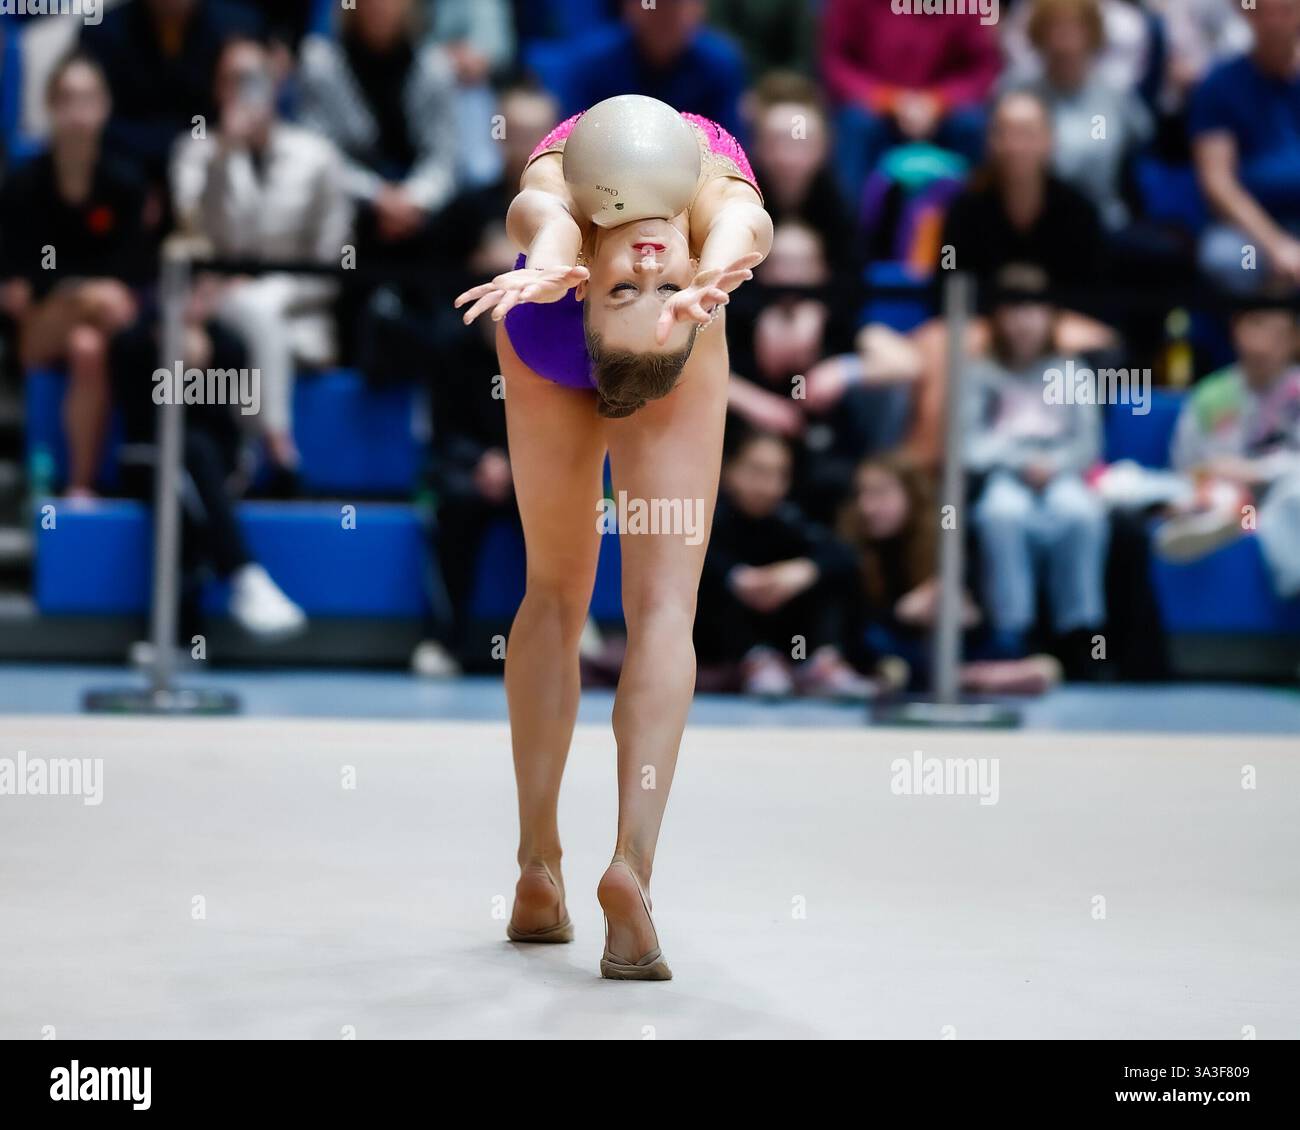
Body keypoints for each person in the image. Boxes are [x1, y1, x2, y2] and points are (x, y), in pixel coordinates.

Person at [454, 96, 772, 979]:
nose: (645, 262)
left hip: (550, 313)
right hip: (581, 318)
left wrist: (555, 264)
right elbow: (745, 216)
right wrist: (707, 271)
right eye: (645, 282)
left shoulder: (610, 251)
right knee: (656, 605)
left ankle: (550, 871)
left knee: (574, 596)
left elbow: (543, 215)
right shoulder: (694, 234)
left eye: (642, 284)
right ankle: (605, 865)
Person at [170, 34, 352, 490]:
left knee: (260, 307)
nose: (243, 90)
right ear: (216, 89)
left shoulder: (320, 157)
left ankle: (251, 451)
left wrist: (262, 291)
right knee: (245, 314)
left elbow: (334, 266)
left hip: (298, 317)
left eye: (253, 78)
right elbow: (193, 230)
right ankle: (277, 442)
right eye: (232, 80)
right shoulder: (196, 151)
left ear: (277, 81)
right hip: (216, 310)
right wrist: (224, 153)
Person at [0, 53, 147, 497]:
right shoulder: (23, 186)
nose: (77, 112)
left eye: (87, 99)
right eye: (66, 99)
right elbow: (18, 292)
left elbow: (129, 280)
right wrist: (84, 294)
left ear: (104, 107)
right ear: (49, 106)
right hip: (38, 331)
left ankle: (80, 485)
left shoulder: (125, 185)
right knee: (86, 321)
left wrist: (76, 293)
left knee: (88, 348)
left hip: (102, 330)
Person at [964, 266, 1109, 672]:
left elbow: (1088, 444)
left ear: (1051, 317)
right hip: (1004, 476)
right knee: (1000, 515)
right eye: (1012, 311)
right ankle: (1013, 631)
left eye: (1033, 310)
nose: (1023, 322)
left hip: (1063, 475)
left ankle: (1079, 631)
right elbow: (968, 445)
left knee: (1082, 515)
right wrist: (1019, 461)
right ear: (997, 319)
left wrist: (1056, 464)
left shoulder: (1072, 371)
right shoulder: (980, 371)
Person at [838, 453, 1062, 695]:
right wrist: (901, 613)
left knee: (1008, 641)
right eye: (863, 494)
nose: (867, 506)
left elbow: (980, 609)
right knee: (877, 644)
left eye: (880, 494)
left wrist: (964, 614)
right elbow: (853, 625)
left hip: (949, 642)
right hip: (896, 643)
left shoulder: (945, 537)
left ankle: (962, 675)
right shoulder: (852, 542)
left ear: (911, 495)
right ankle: (968, 677)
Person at [695, 430, 874, 700]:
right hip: (719, 639)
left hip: (782, 630)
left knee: (831, 576)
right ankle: (756, 661)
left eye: (779, 474)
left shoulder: (789, 519)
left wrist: (804, 571)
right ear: (729, 469)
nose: (768, 484)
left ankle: (823, 662)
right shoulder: (706, 516)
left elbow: (843, 554)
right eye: (758, 470)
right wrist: (736, 577)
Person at [1158, 305, 1300, 600]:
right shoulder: (1211, 395)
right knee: (1213, 495)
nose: (1262, 342)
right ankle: (1219, 522)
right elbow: (1184, 464)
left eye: (1277, 332)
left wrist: (1258, 471)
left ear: (1294, 338)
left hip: (1283, 494)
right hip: (1223, 493)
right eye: (1256, 325)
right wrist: (1212, 472)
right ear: (1237, 331)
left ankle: (1243, 526)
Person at [821, 0, 1000, 208]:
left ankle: (968, 224)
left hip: (943, 115)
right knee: (856, 125)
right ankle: (852, 230)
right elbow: (836, 64)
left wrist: (937, 102)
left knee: (972, 125)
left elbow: (981, 69)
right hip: (876, 111)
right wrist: (890, 101)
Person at [1191, 0, 1300, 293]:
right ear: (1246, 13)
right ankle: (1262, 330)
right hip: (1248, 231)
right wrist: (1276, 245)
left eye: (1286, 10)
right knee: (1229, 259)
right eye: (1265, 11)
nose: (1275, 22)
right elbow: (1218, 183)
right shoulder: (1219, 84)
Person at [530, 0, 747, 140]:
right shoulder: (591, 63)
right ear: (629, 7)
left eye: (676, 8)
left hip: (696, 181)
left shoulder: (721, 63)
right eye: (657, 7)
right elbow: (572, 138)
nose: (665, 18)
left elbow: (729, 144)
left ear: (699, 9)